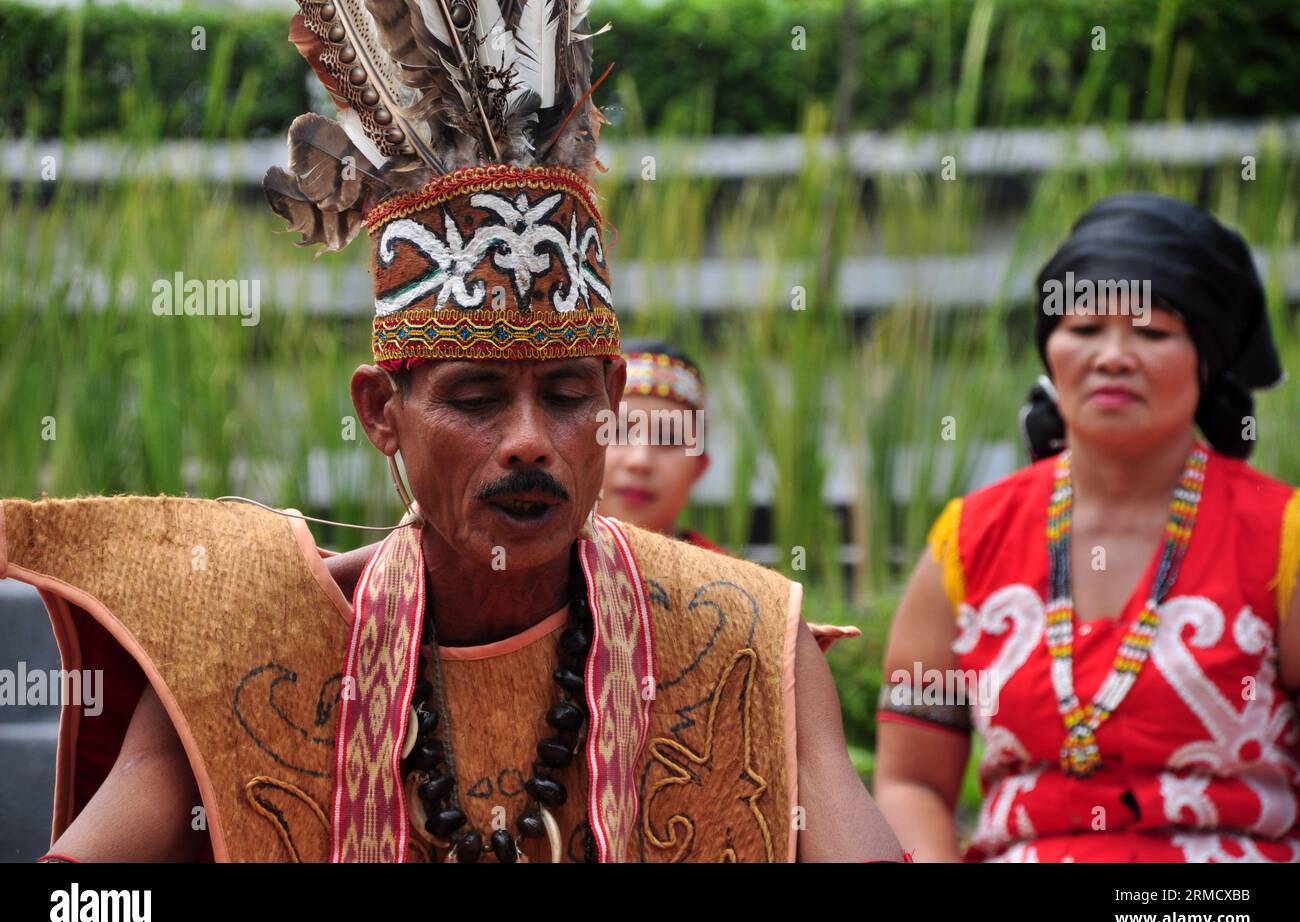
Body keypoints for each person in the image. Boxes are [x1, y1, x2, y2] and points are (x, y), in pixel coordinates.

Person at [6, 1, 900, 864]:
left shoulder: (747, 640)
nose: (527, 442)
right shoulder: (242, 642)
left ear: (613, 397)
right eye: (474, 398)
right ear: (379, 414)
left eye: (565, 395)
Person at [873, 192, 1300, 862]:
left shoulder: (1283, 537)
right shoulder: (967, 540)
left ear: (1207, 360)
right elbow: (911, 779)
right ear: (1049, 348)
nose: (1113, 356)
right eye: (1084, 329)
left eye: (1153, 333)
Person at [598, 338, 724, 552]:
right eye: (617, 432)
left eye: (670, 439)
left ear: (699, 467)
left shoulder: (732, 582)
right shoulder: (531, 571)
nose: (640, 461)